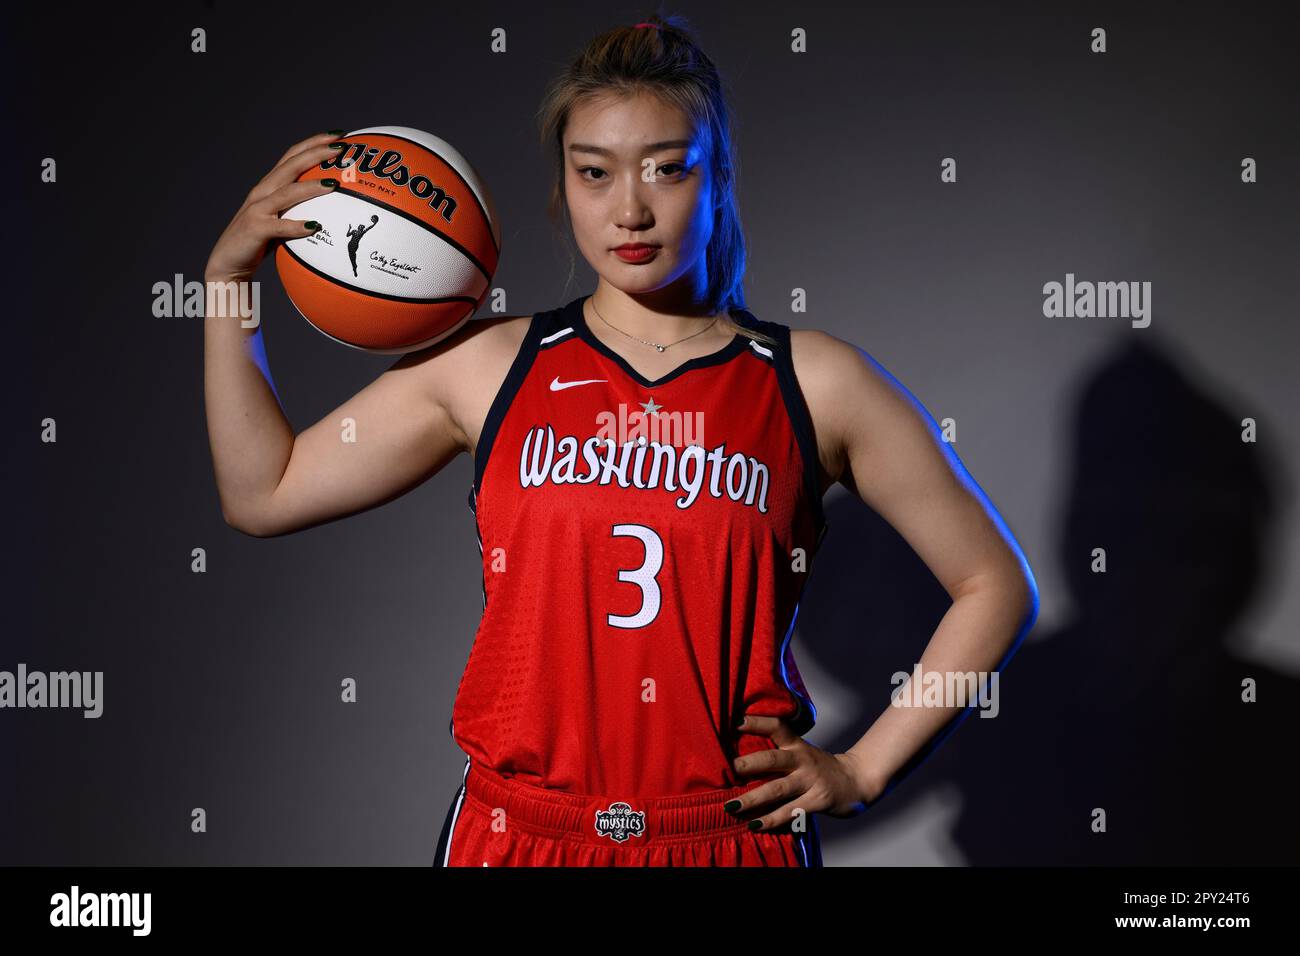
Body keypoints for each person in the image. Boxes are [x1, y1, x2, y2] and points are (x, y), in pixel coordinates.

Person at [202, 14, 1037, 867]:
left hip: (726, 838)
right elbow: (261, 491)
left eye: (668, 169)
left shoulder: (814, 382)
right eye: (593, 172)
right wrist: (228, 284)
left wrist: (863, 768)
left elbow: (993, 583)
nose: (630, 208)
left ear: (717, 176)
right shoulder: (490, 366)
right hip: (518, 837)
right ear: (563, 189)